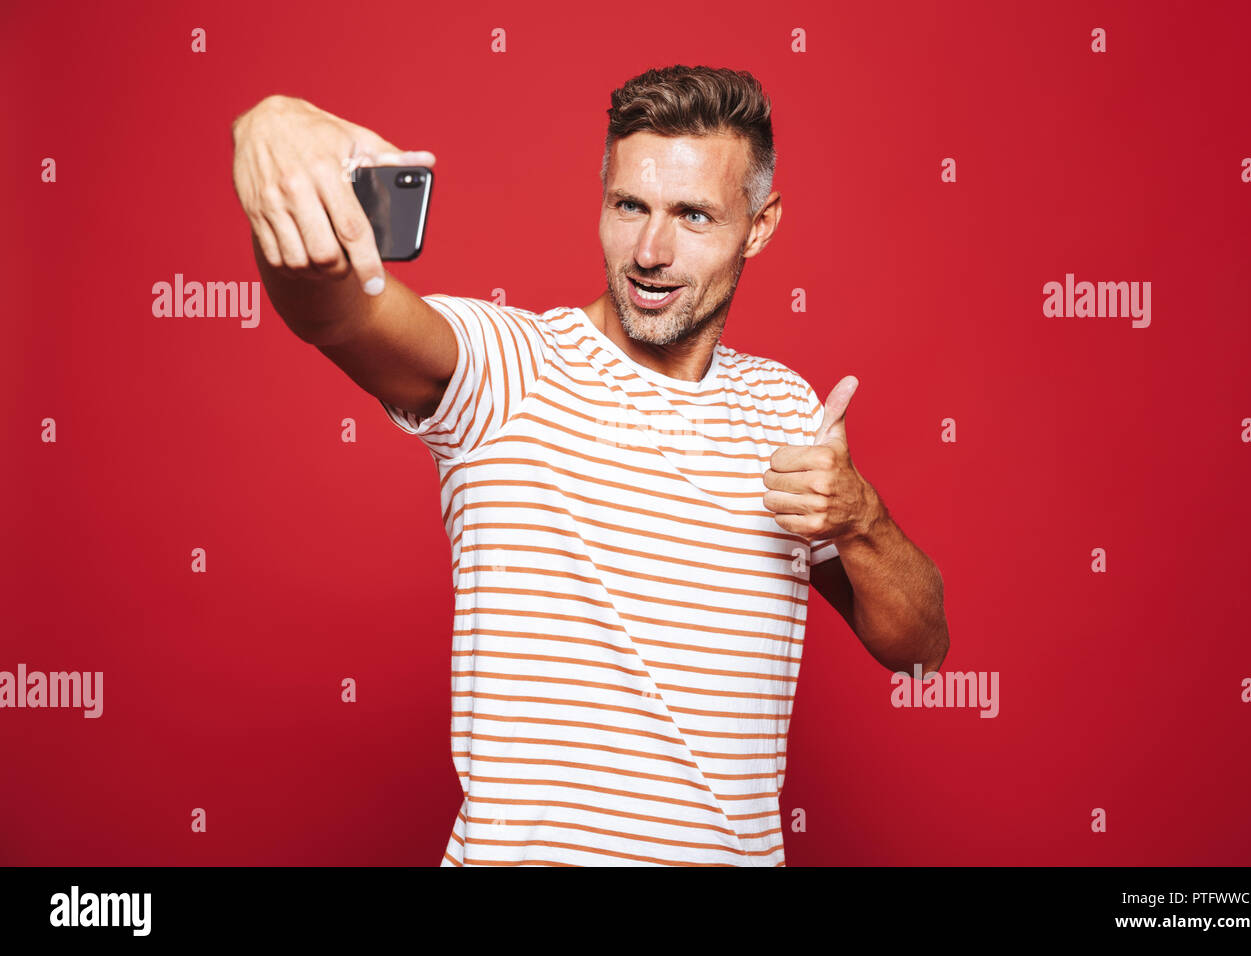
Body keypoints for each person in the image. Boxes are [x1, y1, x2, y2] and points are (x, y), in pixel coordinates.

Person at [230, 64, 949, 866]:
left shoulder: (784, 409)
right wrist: (271, 124)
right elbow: (335, 311)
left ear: (760, 225)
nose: (650, 249)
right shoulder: (509, 369)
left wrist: (862, 517)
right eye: (629, 205)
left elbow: (919, 651)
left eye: (694, 215)